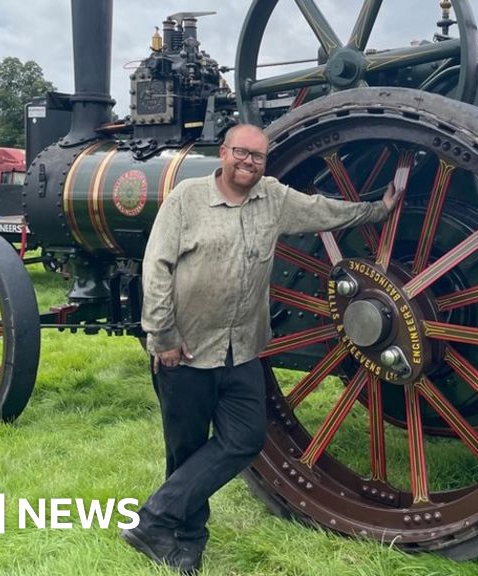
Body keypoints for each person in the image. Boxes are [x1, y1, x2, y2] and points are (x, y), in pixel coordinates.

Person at [123, 123, 404, 574]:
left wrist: (377, 210)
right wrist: (164, 339)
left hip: (242, 349)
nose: (248, 162)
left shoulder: (272, 198)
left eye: (257, 156)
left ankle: (154, 517)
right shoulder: (186, 200)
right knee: (186, 450)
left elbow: (322, 211)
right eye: (241, 153)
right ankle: (186, 543)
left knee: (246, 438)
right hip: (187, 352)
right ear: (223, 153)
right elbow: (155, 269)